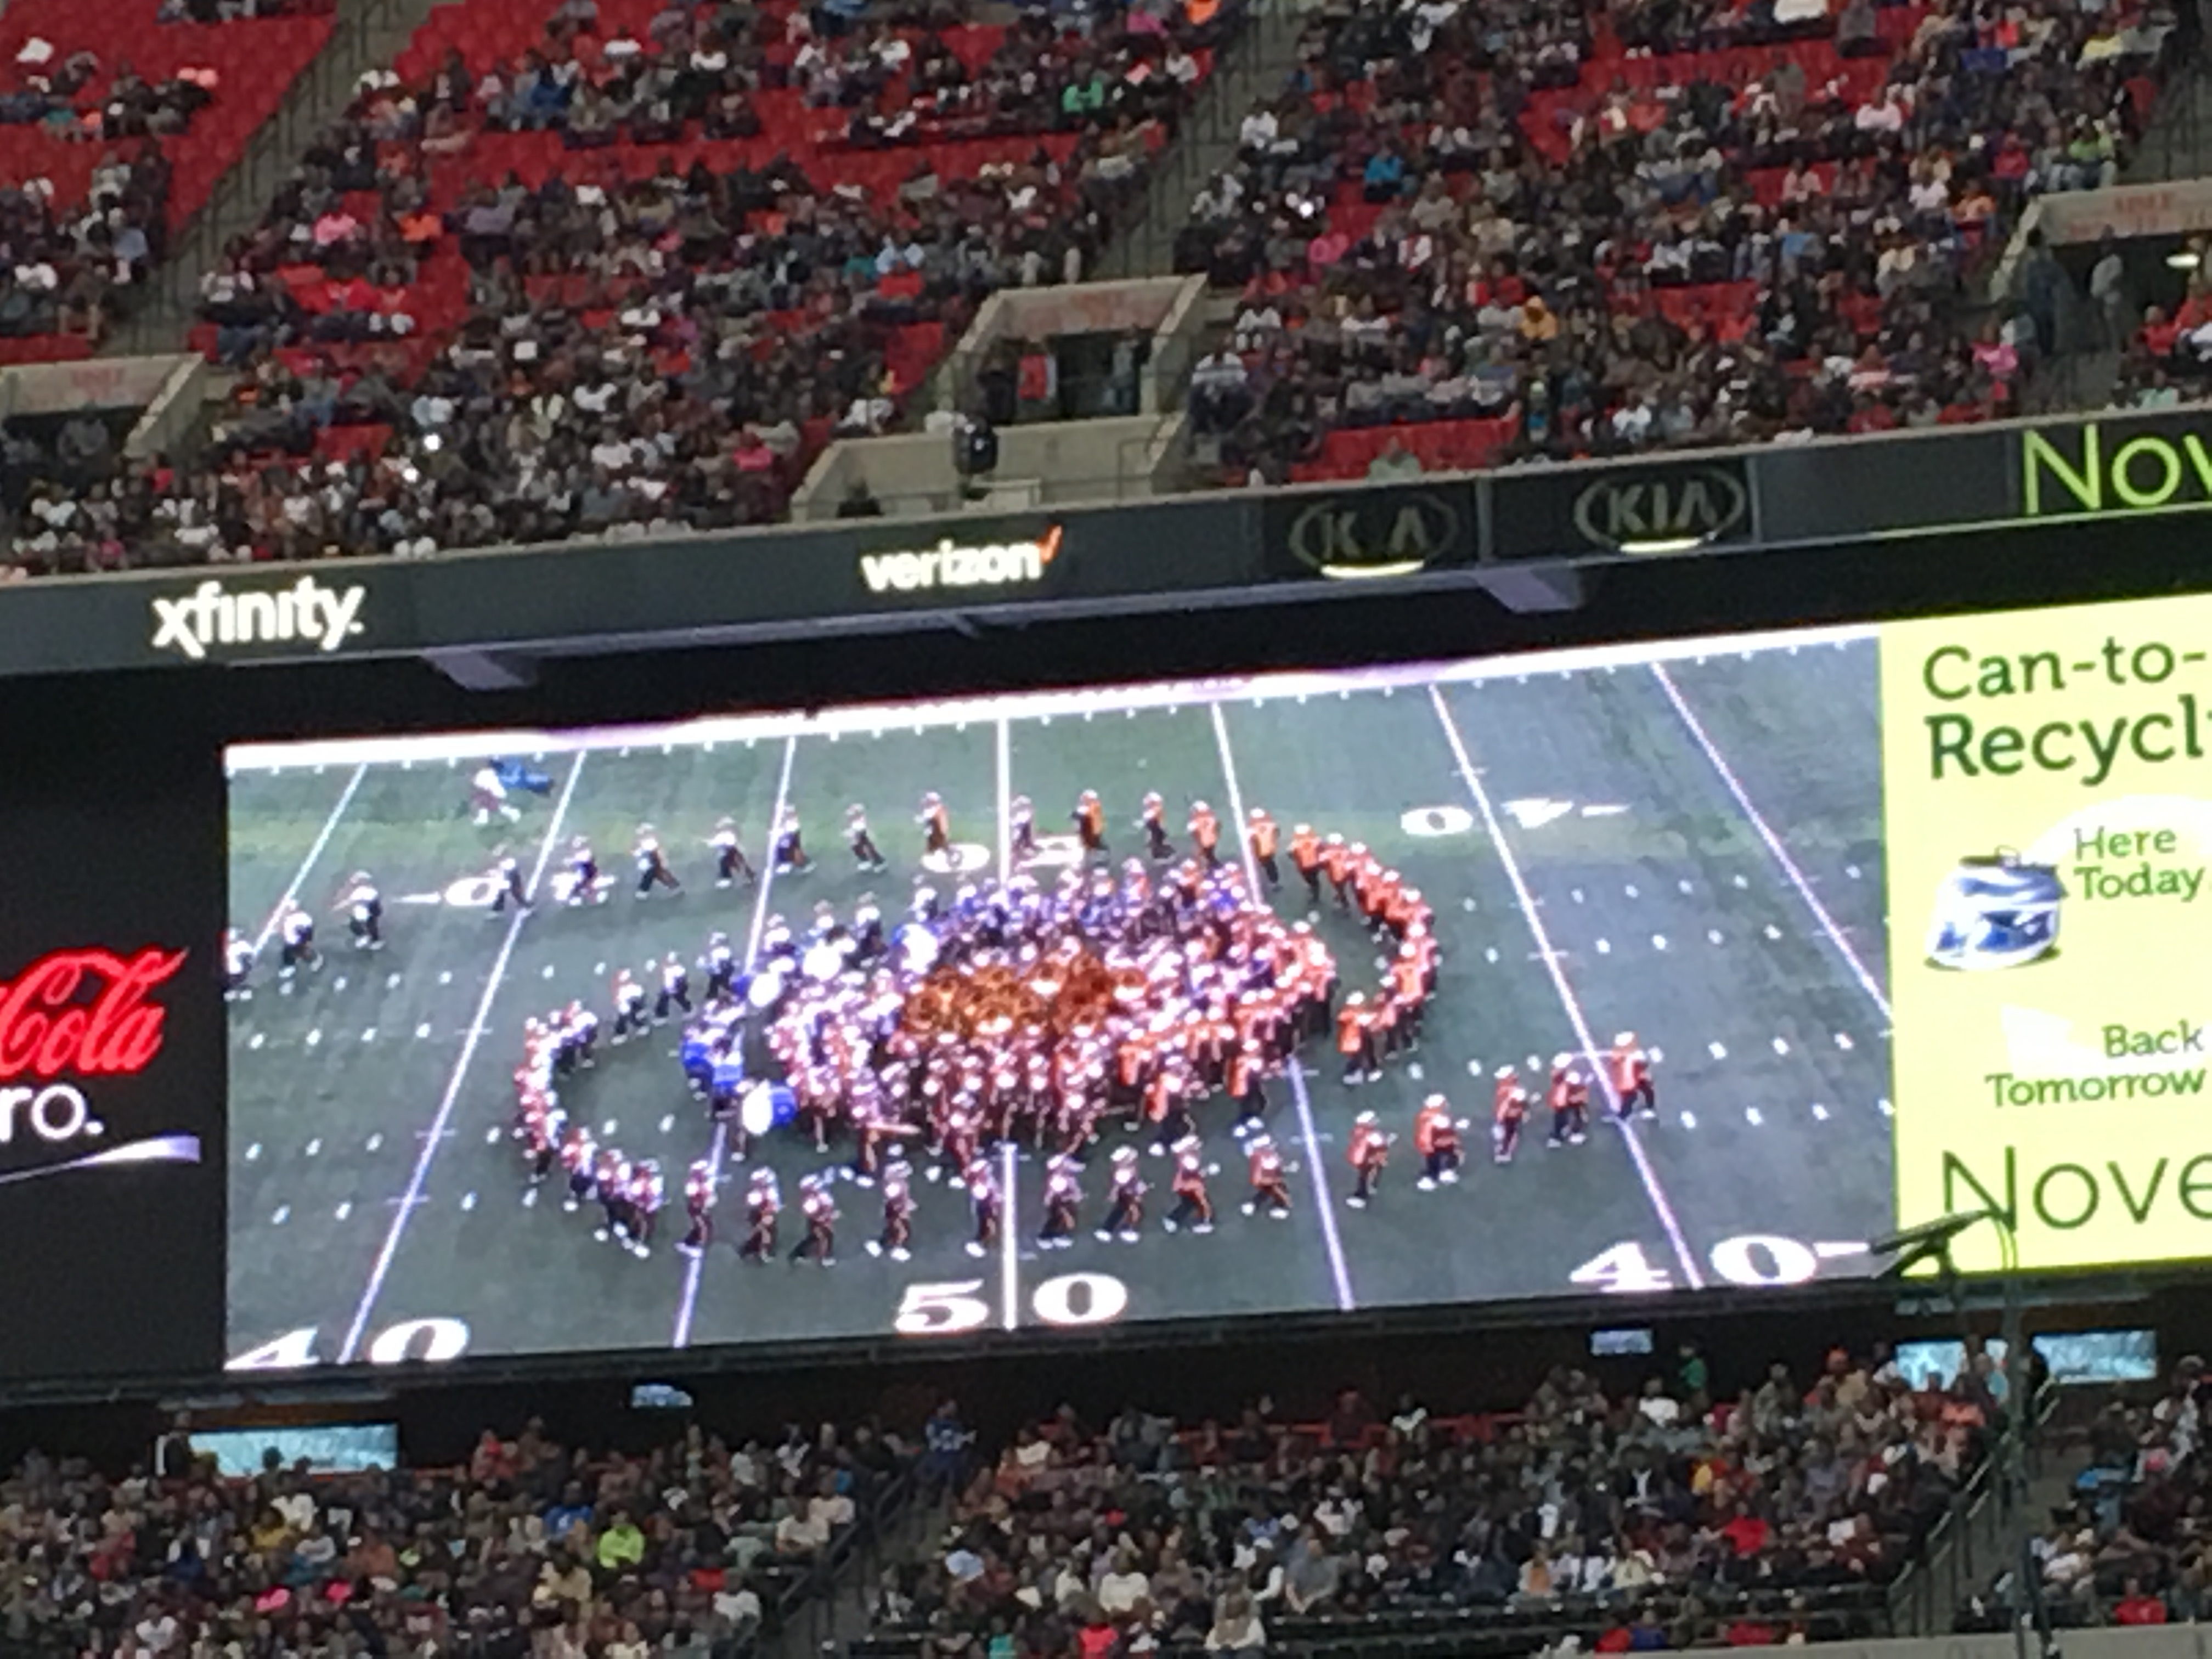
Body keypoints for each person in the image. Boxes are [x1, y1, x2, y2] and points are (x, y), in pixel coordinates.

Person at [709, 816, 755, 887]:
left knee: (735, 862)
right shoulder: (723, 835)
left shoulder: (727, 836)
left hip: (731, 852)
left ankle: (746, 876)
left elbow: (730, 843)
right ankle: (748, 875)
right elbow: (715, 844)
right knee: (737, 862)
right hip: (730, 851)